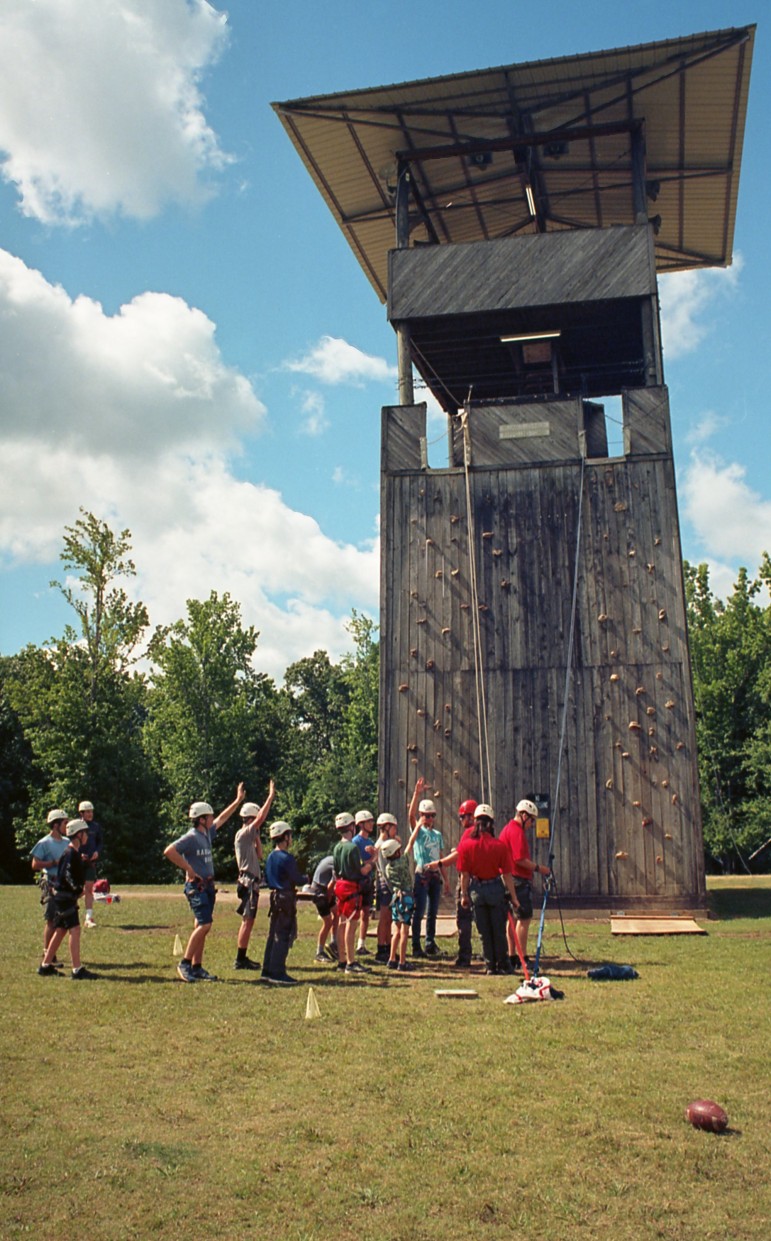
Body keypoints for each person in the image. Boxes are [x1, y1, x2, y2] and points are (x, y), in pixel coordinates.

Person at [163, 783, 245, 983]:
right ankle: (185, 963)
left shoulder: (206, 833)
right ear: (201, 819)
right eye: (209, 817)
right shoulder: (191, 837)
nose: (211, 819)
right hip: (197, 886)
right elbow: (169, 851)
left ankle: (197, 967)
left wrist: (238, 801)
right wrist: (189, 869)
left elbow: (223, 818)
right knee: (205, 924)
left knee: (201, 924)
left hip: (208, 886)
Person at [457, 804, 520, 976]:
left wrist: (464, 896)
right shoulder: (499, 846)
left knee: (484, 931)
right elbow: (507, 875)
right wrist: (514, 897)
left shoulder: (466, 846)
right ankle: (503, 964)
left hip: (477, 891)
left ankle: (490, 965)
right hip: (495, 889)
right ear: (491, 823)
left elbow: (465, 875)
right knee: (498, 929)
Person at [38, 819, 98, 979]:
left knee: (61, 930)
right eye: (85, 833)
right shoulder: (70, 853)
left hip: (63, 896)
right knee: (75, 930)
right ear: (79, 834)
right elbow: (67, 876)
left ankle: (45, 965)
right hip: (65, 898)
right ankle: (77, 969)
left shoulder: (73, 853)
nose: (87, 836)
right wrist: (78, 890)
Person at [499, 799, 551, 969]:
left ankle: (512, 955)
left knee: (512, 921)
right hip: (518, 880)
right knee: (524, 919)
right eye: (531, 820)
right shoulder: (516, 832)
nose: (532, 824)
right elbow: (519, 859)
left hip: (508, 879)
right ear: (523, 815)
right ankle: (523, 957)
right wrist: (539, 868)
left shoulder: (507, 829)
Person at [233, 780, 275, 970]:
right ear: (250, 818)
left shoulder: (249, 837)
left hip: (252, 881)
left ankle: (242, 957)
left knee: (249, 920)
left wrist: (257, 837)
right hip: (248, 881)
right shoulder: (243, 834)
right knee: (247, 921)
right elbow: (261, 818)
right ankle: (240, 959)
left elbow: (260, 855)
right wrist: (270, 796)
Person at [406, 777, 450, 958]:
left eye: (432, 816)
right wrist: (417, 794)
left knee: (432, 912)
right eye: (426, 815)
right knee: (419, 910)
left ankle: (430, 943)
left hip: (434, 875)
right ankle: (416, 945)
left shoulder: (437, 835)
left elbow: (441, 857)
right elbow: (410, 816)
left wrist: (446, 879)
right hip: (422, 873)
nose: (429, 819)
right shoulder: (418, 831)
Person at [261, 821, 307, 985]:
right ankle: (277, 971)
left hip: (275, 897)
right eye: (290, 835)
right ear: (285, 837)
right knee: (283, 934)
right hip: (285, 897)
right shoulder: (287, 858)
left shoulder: (271, 856)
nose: (291, 838)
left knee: (273, 933)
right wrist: (307, 879)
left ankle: (267, 969)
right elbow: (296, 878)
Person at [332, 812, 375, 976]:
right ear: (351, 826)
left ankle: (342, 959)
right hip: (351, 886)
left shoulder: (337, 847)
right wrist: (373, 860)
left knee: (342, 922)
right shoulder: (352, 848)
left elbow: (335, 870)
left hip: (340, 885)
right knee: (351, 924)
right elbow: (363, 870)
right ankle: (351, 961)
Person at [436, 798, 478, 967]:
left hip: (467, 880)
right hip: (481, 880)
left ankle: (464, 955)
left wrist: (439, 864)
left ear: (471, 817)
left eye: (463, 817)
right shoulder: (484, 831)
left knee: (463, 918)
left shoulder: (470, 832)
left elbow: (460, 855)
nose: (461, 821)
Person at [30, 809, 70, 966]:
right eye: (65, 823)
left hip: (64, 884)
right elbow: (35, 864)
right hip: (51, 884)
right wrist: (53, 863)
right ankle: (48, 953)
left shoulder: (67, 842)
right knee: (51, 920)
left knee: (63, 920)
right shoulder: (44, 843)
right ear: (56, 825)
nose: (67, 826)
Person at [381, 837, 413, 972]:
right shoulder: (403, 862)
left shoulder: (388, 868)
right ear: (396, 852)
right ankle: (402, 962)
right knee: (405, 932)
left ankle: (392, 958)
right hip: (406, 898)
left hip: (396, 899)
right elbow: (410, 843)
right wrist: (417, 826)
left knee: (396, 931)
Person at [373, 812, 399, 962]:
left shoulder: (386, 843)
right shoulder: (381, 846)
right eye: (394, 827)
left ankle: (388, 946)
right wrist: (392, 887)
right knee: (384, 917)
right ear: (387, 827)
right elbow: (384, 869)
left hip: (388, 884)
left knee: (388, 917)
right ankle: (381, 947)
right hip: (385, 884)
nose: (396, 831)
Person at [352, 809, 377, 955]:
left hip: (368, 881)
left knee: (366, 913)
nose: (372, 824)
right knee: (355, 914)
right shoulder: (356, 842)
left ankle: (361, 944)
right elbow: (360, 865)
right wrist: (373, 858)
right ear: (361, 824)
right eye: (369, 821)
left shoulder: (370, 842)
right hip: (358, 882)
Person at [77, 800, 103, 928]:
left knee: (89, 889)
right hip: (76, 862)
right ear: (81, 813)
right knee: (76, 889)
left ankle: (88, 917)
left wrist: (97, 852)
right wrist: (78, 855)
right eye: (87, 811)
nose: (90, 814)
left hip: (91, 862)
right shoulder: (75, 825)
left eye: (91, 811)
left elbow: (100, 842)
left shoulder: (96, 827)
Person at [309, 853, 338, 961]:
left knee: (337, 912)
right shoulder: (337, 864)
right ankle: (319, 952)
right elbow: (332, 884)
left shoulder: (332, 858)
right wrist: (329, 899)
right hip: (319, 892)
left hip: (323, 888)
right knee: (328, 922)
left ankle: (334, 943)